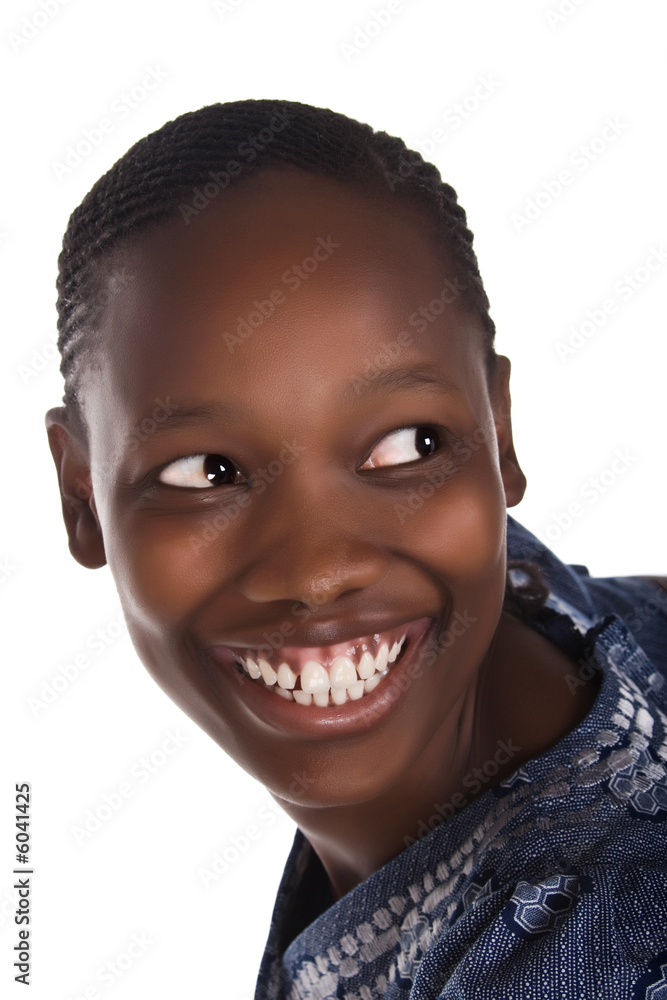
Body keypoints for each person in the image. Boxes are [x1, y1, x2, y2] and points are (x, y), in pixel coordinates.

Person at [45, 99, 667, 998]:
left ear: (499, 435)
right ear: (80, 494)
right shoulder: (533, 600)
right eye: (208, 470)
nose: (315, 570)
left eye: (403, 447)